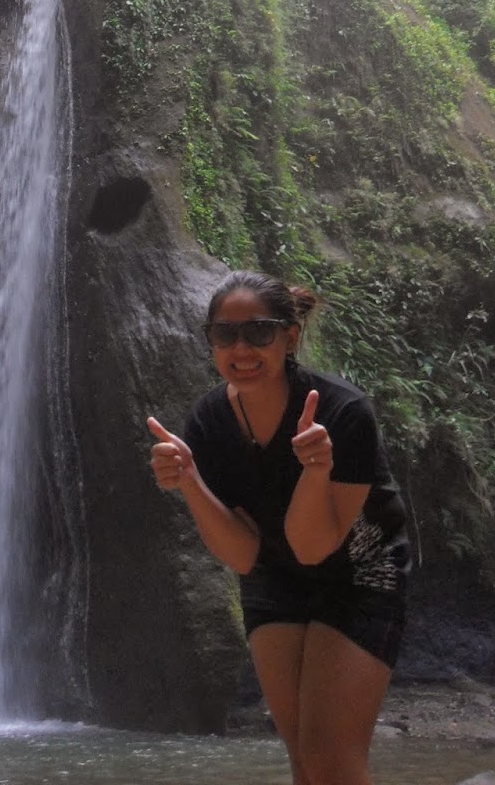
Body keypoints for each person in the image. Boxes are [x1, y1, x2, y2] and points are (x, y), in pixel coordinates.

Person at [148, 269, 409, 785]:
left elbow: (315, 546)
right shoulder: (208, 422)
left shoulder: (342, 412)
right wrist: (189, 480)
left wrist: (316, 471)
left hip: (359, 573)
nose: (241, 349)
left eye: (259, 332)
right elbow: (244, 556)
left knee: (331, 762)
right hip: (273, 574)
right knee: (303, 763)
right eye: (225, 334)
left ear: (289, 338)